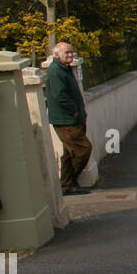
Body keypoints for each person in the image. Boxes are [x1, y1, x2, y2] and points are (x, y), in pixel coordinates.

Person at [45, 42, 92, 194]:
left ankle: (67, 185)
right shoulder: (55, 71)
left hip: (70, 119)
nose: (71, 55)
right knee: (83, 149)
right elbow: (60, 95)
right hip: (65, 120)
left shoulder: (63, 68)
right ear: (57, 55)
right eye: (67, 53)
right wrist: (74, 111)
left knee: (69, 154)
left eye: (71, 52)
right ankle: (69, 182)